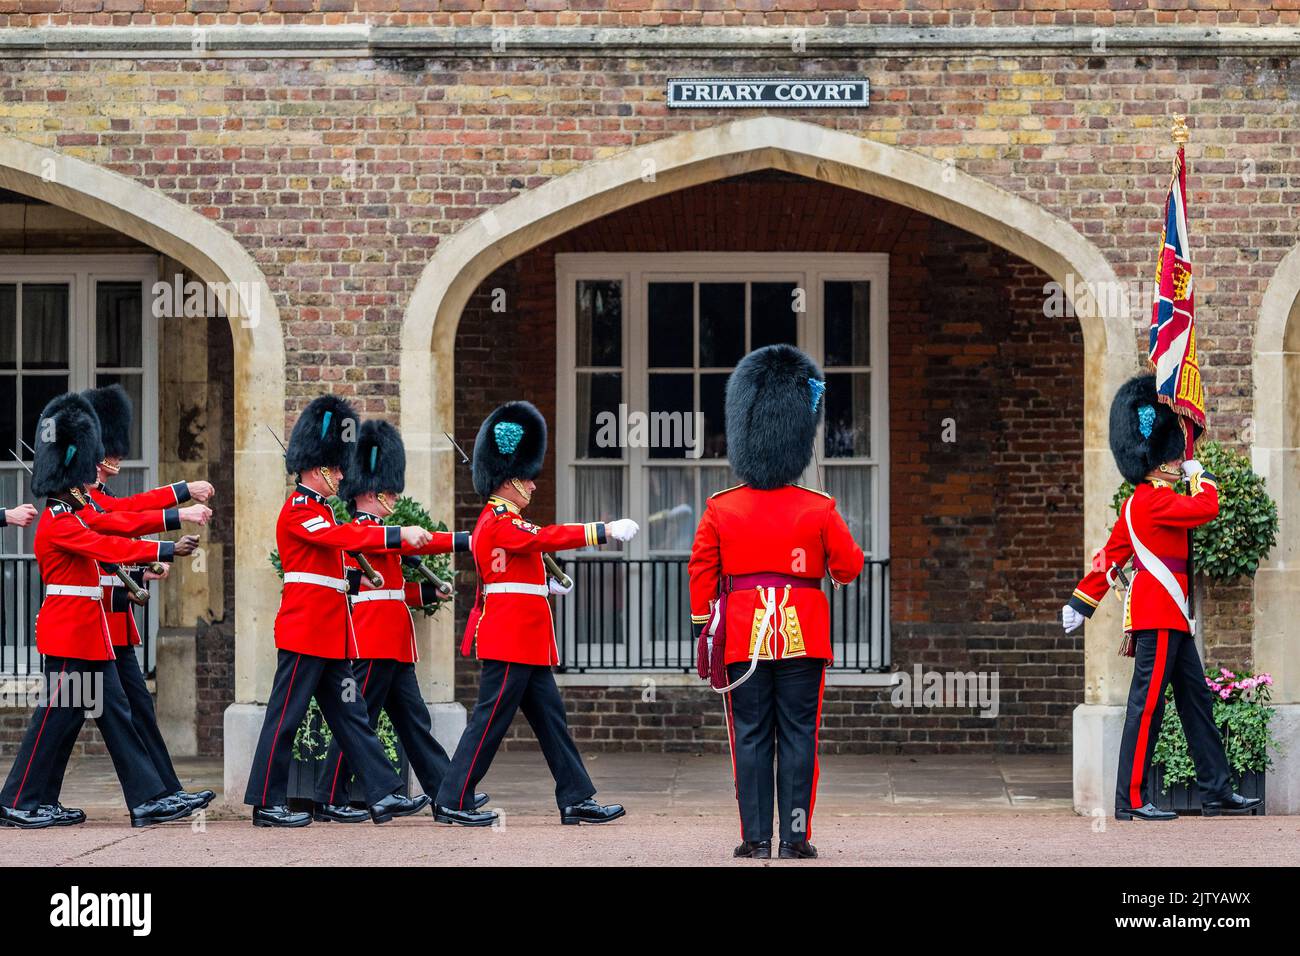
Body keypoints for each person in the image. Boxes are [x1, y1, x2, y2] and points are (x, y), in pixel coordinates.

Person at [688, 344, 864, 860]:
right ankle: (794, 837)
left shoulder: (721, 508)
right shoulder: (819, 508)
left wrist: (706, 625)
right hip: (802, 635)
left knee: (748, 737)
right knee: (799, 738)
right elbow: (849, 568)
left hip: (742, 632)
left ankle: (754, 837)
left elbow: (701, 569)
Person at [1063, 374, 1262, 821]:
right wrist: (1203, 476)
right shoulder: (1154, 500)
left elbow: (1109, 559)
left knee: (1197, 704)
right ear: (1161, 460)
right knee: (1146, 707)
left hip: (1173, 619)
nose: (1180, 462)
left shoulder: (1141, 501)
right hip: (1158, 618)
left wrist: (1081, 602)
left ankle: (1216, 791)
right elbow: (1206, 508)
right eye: (1175, 457)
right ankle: (1130, 800)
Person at [0, 393, 200, 829]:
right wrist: (167, 546)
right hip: (72, 637)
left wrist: (170, 524)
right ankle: (20, 800)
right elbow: (107, 544)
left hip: (89, 635)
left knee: (95, 717)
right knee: (63, 718)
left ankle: (42, 799)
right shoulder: (60, 520)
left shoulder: (76, 512)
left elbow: (116, 523)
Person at [433, 401, 638, 827]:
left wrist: (546, 584)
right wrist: (603, 531)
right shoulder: (499, 521)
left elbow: (517, 566)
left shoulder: (505, 521)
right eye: (528, 478)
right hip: (510, 641)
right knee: (488, 723)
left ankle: (576, 797)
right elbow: (544, 538)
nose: (533, 486)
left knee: (552, 724)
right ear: (509, 481)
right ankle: (452, 798)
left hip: (527, 642)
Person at [243, 394, 438, 827]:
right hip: (305, 632)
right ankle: (266, 803)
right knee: (286, 718)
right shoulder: (298, 511)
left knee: (352, 718)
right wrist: (396, 535)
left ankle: (383, 793)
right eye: (334, 468)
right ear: (316, 468)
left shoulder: (323, 512)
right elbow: (344, 542)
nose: (340, 475)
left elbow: (335, 574)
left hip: (330, 636)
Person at [312, 418, 484, 822]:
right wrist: (469, 540)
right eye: (387, 490)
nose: (393, 496)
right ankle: (328, 797)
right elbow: (363, 590)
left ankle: (446, 795)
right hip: (372, 640)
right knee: (359, 720)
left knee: (415, 723)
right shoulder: (358, 534)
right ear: (370, 493)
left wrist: (427, 590)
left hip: (394, 641)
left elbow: (393, 591)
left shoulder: (384, 534)